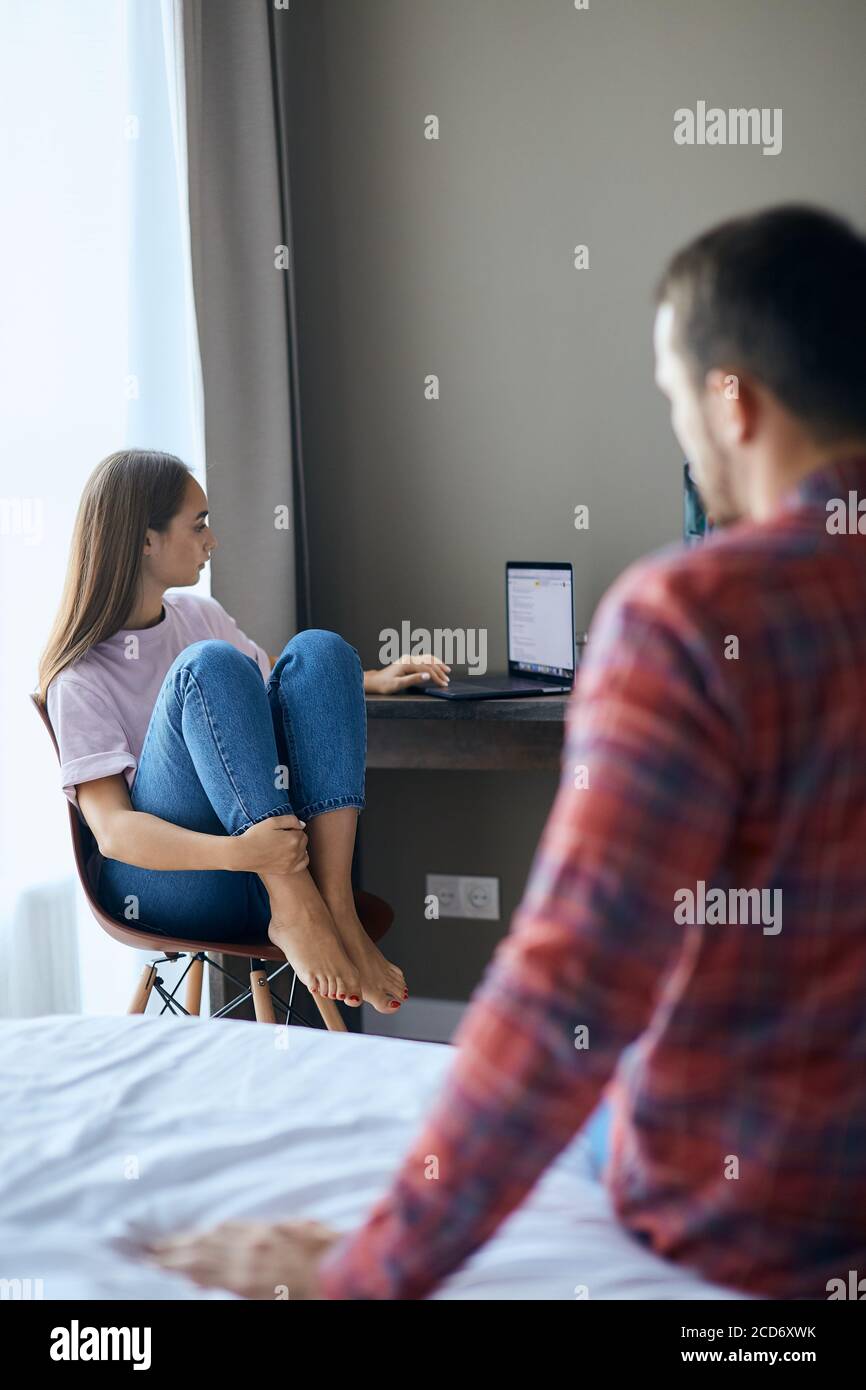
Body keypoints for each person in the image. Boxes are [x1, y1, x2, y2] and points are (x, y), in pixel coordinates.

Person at [149, 204, 866, 1300]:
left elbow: (569, 988)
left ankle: (312, 902)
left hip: (759, 1206)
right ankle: (309, 898)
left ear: (733, 404)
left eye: (676, 402)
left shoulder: (693, 617)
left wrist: (363, 1268)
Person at [39, 451, 449, 1011]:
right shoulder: (80, 677)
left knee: (322, 651)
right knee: (208, 667)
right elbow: (113, 833)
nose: (213, 540)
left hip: (262, 870)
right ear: (145, 540)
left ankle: (333, 906)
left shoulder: (196, 614)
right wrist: (244, 853)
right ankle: (297, 906)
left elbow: (281, 675)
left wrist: (370, 677)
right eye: (199, 523)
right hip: (168, 884)